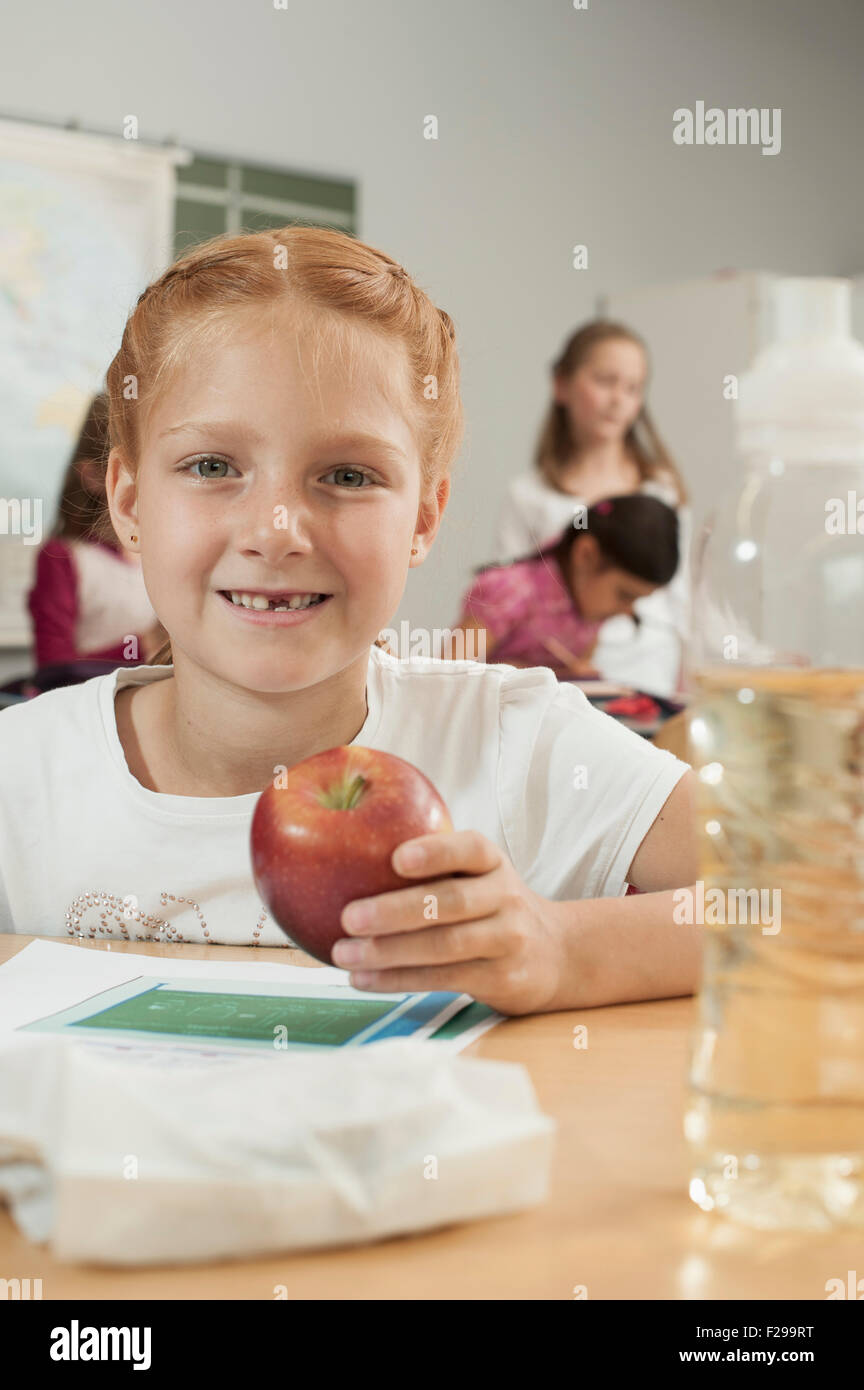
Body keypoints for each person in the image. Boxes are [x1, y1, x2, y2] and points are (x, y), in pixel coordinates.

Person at [0, 226, 699, 1017]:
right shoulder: (19, 777)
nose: (276, 530)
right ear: (129, 502)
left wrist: (567, 950)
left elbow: (812, 896)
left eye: (347, 475)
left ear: (423, 519)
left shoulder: (513, 741)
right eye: (211, 466)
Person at [494, 321, 690, 696]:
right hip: (563, 678)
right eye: (605, 381)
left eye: (633, 388)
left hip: (651, 673)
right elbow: (506, 603)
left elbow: (682, 602)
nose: (618, 399)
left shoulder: (663, 490)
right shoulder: (528, 496)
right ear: (562, 384)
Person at [449, 494, 678, 680]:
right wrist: (556, 677)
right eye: (625, 595)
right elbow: (450, 674)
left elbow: (577, 670)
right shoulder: (511, 589)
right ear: (586, 555)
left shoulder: (591, 608)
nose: (627, 611)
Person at [27, 392, 166, 668]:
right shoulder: (63, 558)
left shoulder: (163, 556)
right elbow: (54, 668)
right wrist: (144, 643)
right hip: (89, 703)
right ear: (93, 476)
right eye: (137, 475)